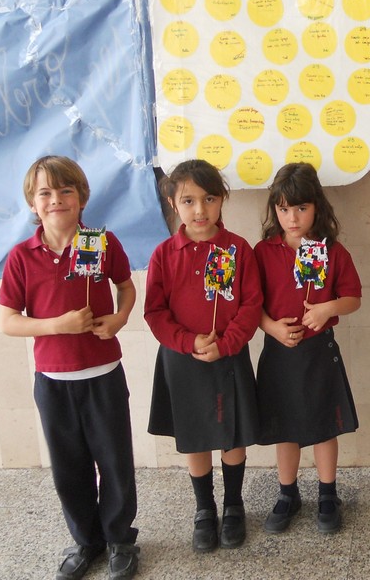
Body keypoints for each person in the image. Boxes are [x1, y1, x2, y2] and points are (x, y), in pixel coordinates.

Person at [0, 156, 139, 580]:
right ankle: (87, 541)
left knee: (114, 462)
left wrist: (118, 318)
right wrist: (56, 326)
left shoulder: (100, 242)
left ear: (81, 198)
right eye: (45, 192)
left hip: (103, 376)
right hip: (54, 383)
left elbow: (127, 288)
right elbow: (8, 321)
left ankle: (119, 540)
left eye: (65, 191)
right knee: (68, 468)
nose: (55, 200)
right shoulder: (23, 257)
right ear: (32, 203)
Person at [144, 159, 262, 553]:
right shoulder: (164, 254)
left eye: (209, 199)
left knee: (231, 434)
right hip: (182, 361)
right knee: (194, 435)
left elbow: (250, 305)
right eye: (189, 200)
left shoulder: (237, 249)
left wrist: (226, 343)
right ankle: (204, 509)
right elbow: (155, 312)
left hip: (228, 358)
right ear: (173, 204)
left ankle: (233, 505)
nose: (200, 210)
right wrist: (187, 341)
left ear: (222, 200)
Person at [255, 163, 361, 534]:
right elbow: (252, 305)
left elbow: (352, 298)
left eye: (300, 208)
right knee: (285, 427)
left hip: (318, 353)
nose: (292, 218)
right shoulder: (263, 251)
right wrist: (271, 328)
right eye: (284, 209)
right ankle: (288, 494)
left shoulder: (332, 251)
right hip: (279, 353)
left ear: (316, 206)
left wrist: (328, 308)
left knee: (322, 427)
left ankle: (328, 494)